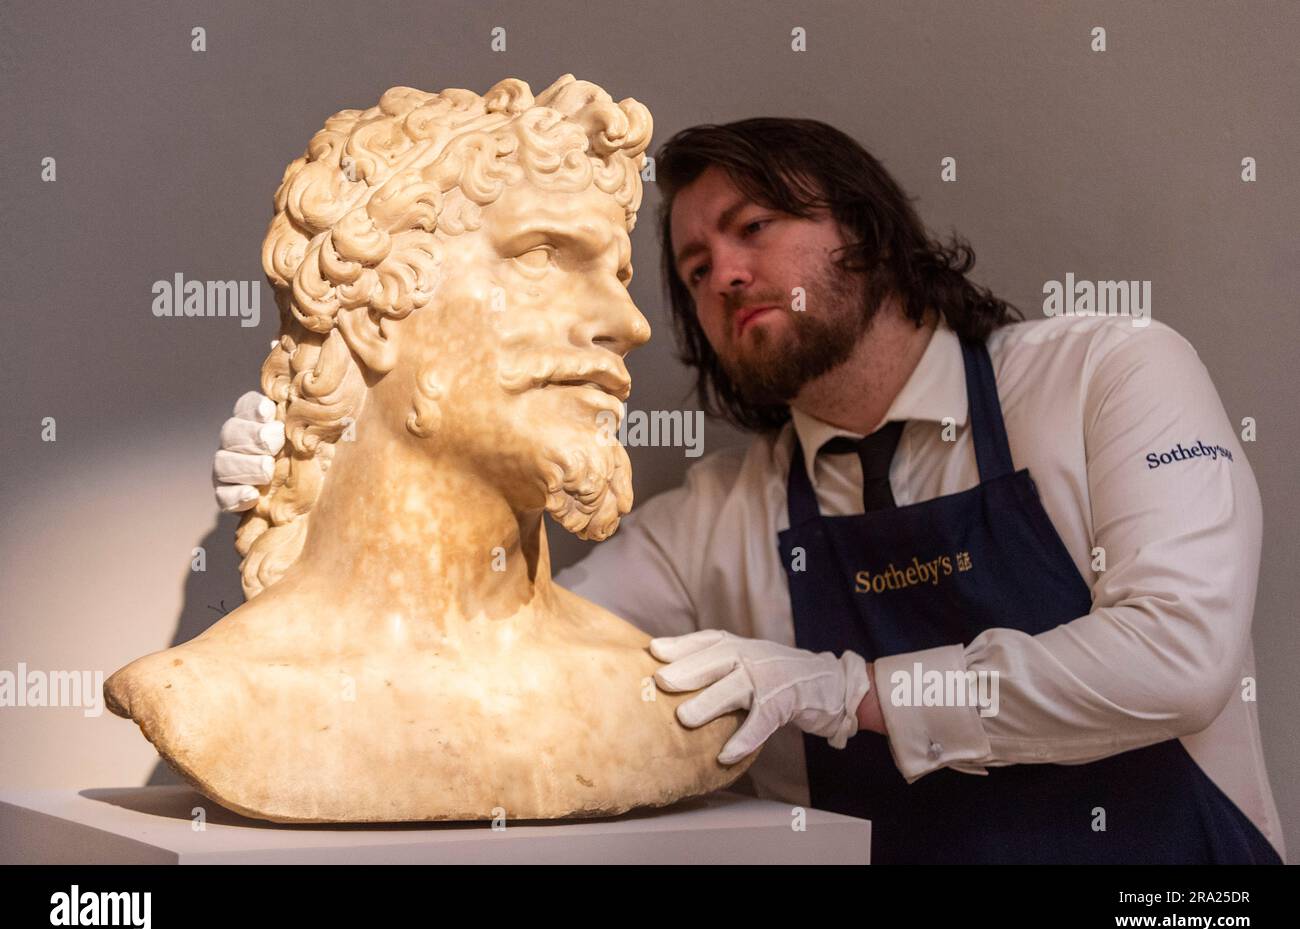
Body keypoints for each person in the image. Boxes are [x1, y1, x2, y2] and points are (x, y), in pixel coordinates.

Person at [212, 117, 1285, 864]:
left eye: (754, 226)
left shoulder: (1106, 372)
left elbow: (1178, 659)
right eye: (690, 267)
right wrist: (317, 488)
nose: (721, 274)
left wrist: (849, 693)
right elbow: (480, 657)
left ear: (862, 224)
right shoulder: (712, 522)